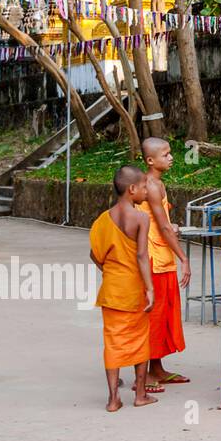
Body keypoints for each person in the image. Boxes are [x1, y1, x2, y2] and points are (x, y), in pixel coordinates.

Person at [90, 165, 158, 413]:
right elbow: (141, 255)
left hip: (111, 289)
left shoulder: (102, 219)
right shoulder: (141, 217)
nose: (145, 191)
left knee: (113, 342)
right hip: (133, 289)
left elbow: (94, 254)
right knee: (140, 340)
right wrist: (149, 288)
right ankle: (140, 394)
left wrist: (111, 272)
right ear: (132, 189)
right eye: (142, 187)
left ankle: (113, 399)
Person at [139, 138, 191, 390]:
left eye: (170, 153)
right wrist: (183, 257)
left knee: (163, 313)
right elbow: (161, 226)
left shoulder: (157, 183)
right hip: (153, 258)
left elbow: (164, 223)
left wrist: (172, 227)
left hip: (161, 255)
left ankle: (156, 368)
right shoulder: (151, 185)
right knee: (155, 315)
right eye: (165, 154)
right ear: (151, 160)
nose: (171, 158)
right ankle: (145, 375)